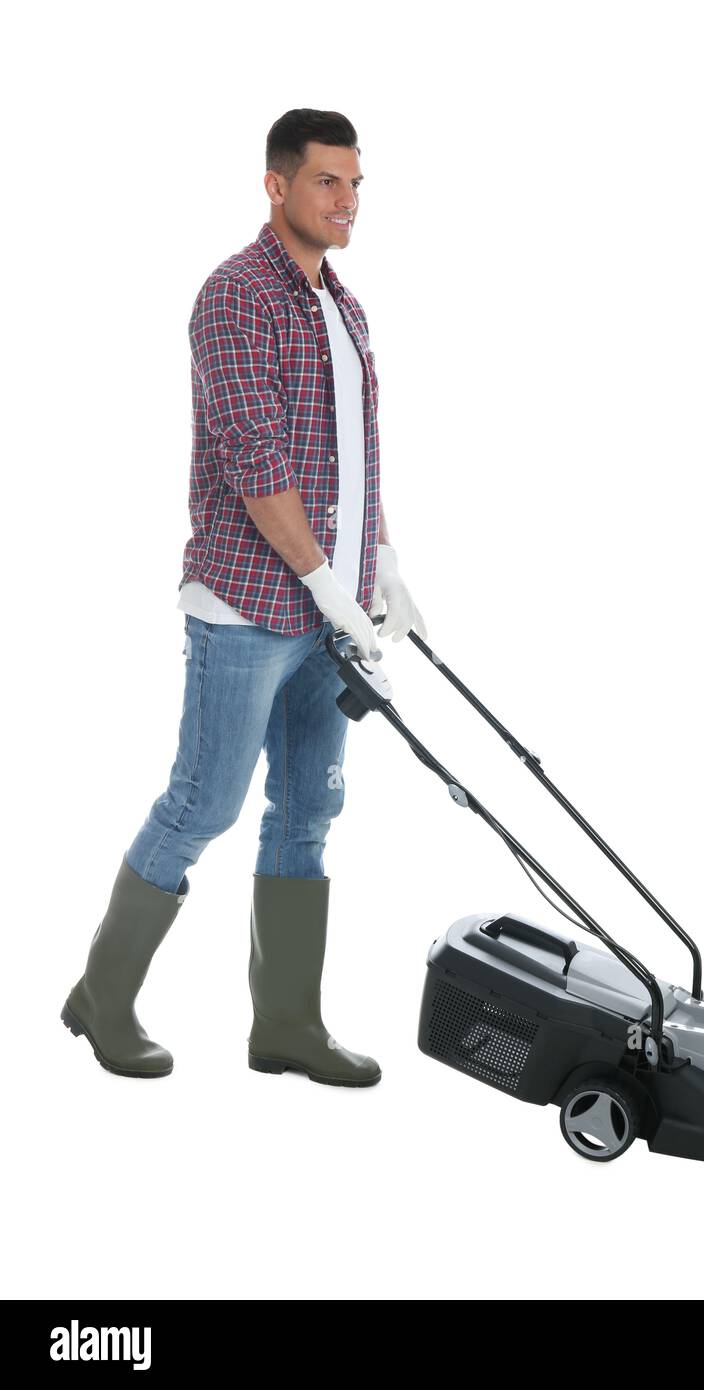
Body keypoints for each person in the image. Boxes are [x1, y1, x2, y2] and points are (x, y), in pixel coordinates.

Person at [61, 108, 425, 1090]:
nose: (348, 202)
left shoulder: (345, 309)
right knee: (203, 803)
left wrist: (381, 564)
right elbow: (255, 461)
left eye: (356, 184)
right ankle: (102, 996)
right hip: (250, 607)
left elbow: (353, 459)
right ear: (276, 185)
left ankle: (289, 1027)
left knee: (308, 812)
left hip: (331, 613)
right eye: (327, 183)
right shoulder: (235, 297)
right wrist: (320, 582)